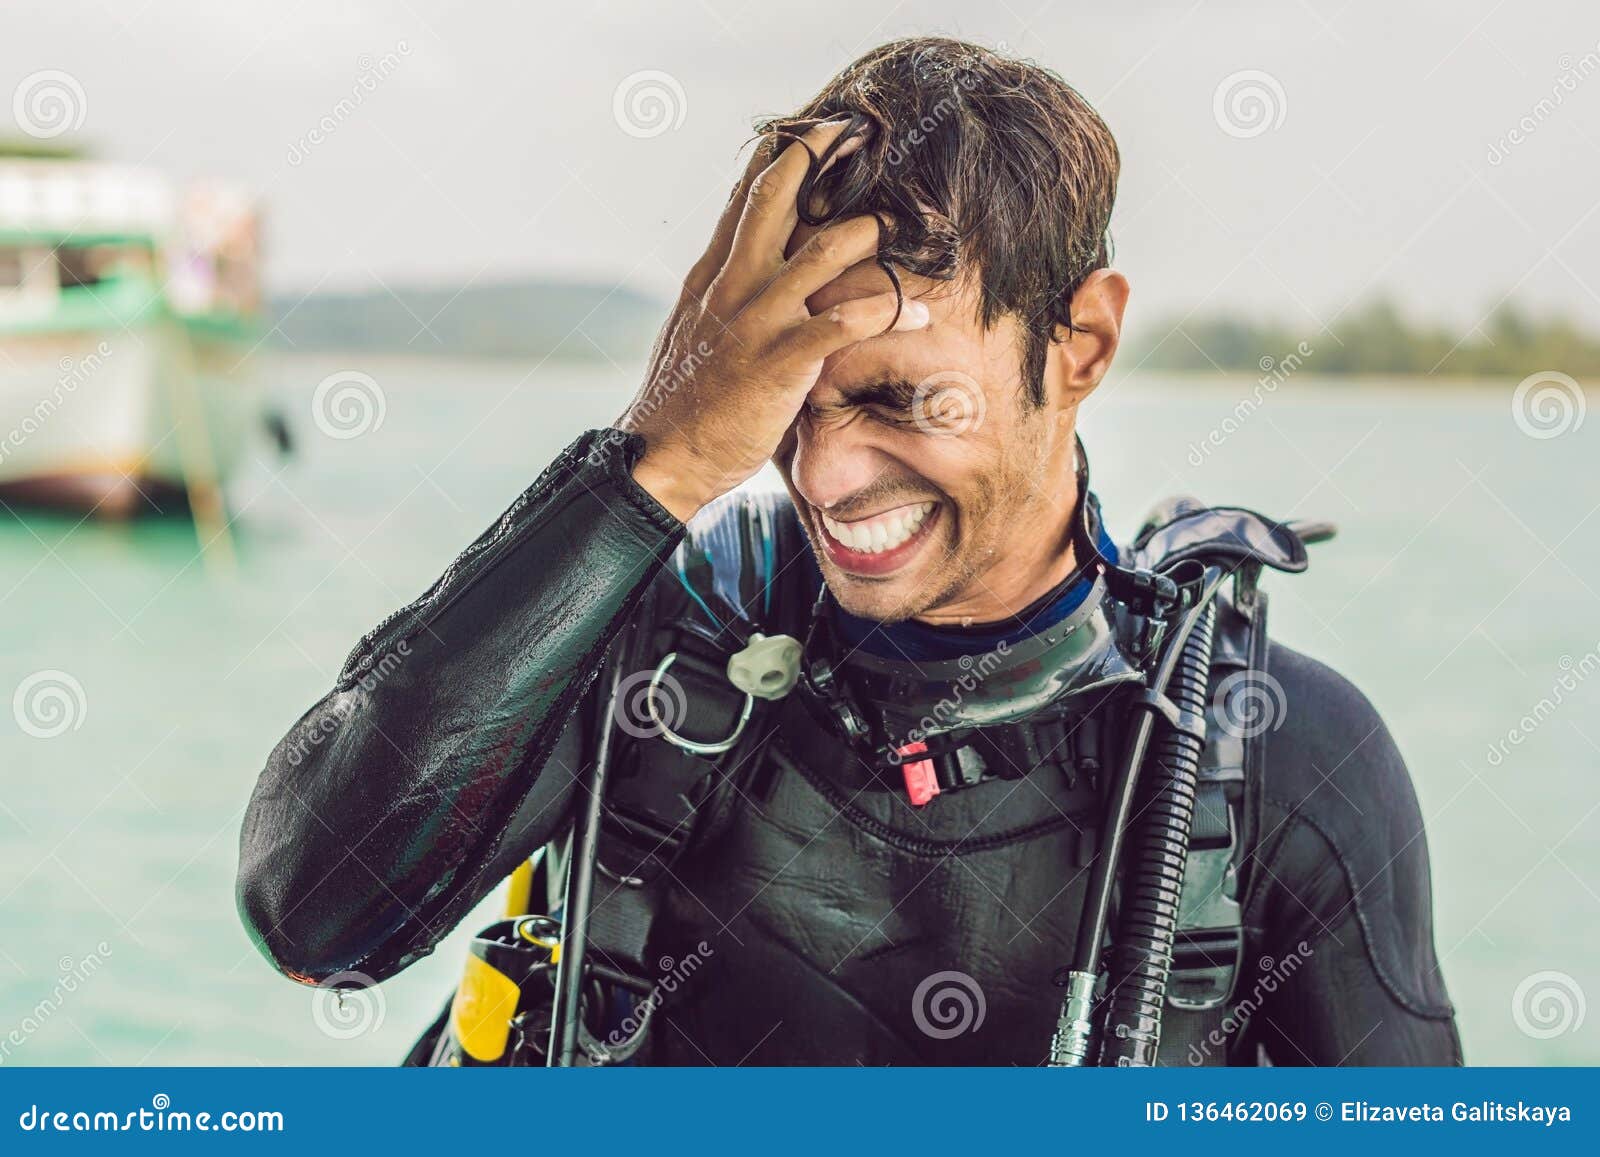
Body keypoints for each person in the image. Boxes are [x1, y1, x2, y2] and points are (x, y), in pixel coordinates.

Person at [237, 37, 1461, 1066]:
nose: (823, 475)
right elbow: (315, 921)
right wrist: (659, 458)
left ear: (1080, 343)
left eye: (896, 398)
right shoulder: (653, 649)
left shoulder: (1267, 757)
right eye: (783, 400)